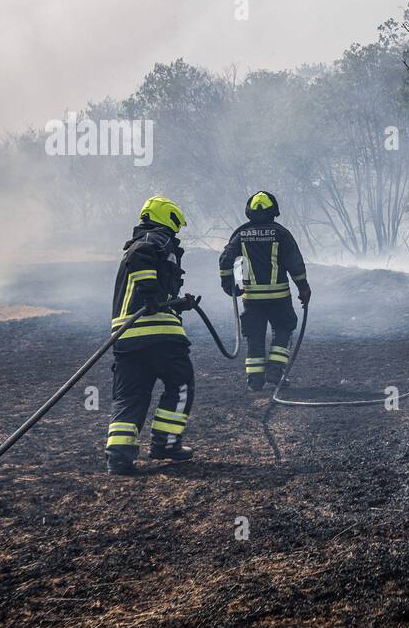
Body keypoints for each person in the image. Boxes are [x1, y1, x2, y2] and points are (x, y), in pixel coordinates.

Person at [105, 195, 200, 475]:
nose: (176, 232)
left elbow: (153, 288)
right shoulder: (156, 239)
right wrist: (152, 294)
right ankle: (166, 444)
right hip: (158, 333)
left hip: (126, 335)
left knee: (130, 395)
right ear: (167, 217)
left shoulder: (143, 240)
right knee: (180, 385)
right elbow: (141, 259)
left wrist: (178, 302)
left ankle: (119, 457)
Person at [218, 191, 311, 390]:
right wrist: (303, 288)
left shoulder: (240, 234)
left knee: (255, 336)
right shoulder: (281, 233)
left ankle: (254, 381)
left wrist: (228, 285)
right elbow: (295, 263)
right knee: (284, 329)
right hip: (279, 297)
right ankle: (275, 370)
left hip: (251, 298)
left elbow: (225, 260)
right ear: (273, 211)